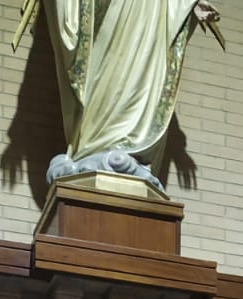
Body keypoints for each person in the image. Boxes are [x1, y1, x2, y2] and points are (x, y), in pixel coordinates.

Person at [34, 0, 225, 192]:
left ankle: (122, 147)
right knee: (106, 72)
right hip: (108, 14)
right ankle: (95, 145)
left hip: (146, 14)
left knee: (140, 70)